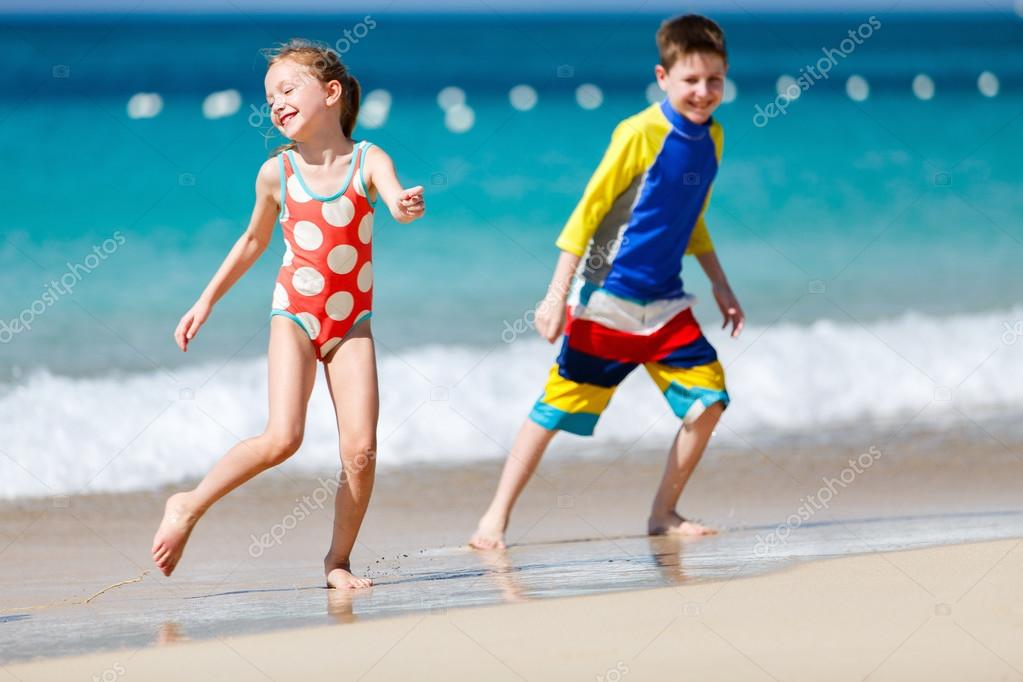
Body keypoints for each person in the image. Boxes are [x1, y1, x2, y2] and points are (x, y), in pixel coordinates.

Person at [151, 39, 425, 588]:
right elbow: (253, 241)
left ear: (330, 93)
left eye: (286, 88)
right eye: (269, 96)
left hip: (352, 326)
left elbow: (394, 199)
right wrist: (204, 301)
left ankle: (338, 560)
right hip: (294, 315)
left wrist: (403, 206)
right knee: (283, 438)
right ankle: (188, 503)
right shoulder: (276, 172)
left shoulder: (369, 160)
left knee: (362, 450)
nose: (275, 102)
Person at [470, 14, 744, 550]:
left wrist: (721, 284)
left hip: (666, 305)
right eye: (690, 80)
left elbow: (692, 218)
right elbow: (586, 214)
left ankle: (663, 513)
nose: (703, 91)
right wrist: (555, 297)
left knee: (709, 402)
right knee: (552, 410)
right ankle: (493, 520)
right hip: (608, 303)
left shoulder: (713, 137)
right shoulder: (639, 134)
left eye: (714, 80)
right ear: (662, 78)